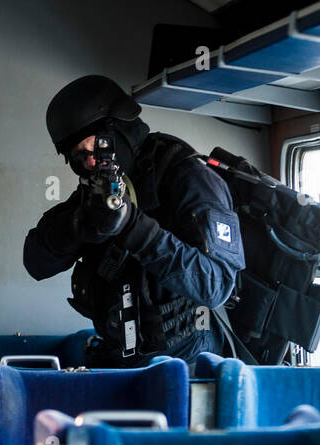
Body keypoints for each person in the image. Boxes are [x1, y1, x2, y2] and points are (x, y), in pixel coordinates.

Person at [23, 74, 245, 366]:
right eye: (78, 157)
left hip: (186, 365)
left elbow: (215, 285)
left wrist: (135, 228)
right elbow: (35, 261)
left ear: (119, 131)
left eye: (95, 149)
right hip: (124, 362)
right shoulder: (99, 189)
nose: (89, 163)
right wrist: (79, 225)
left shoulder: (188, 177)